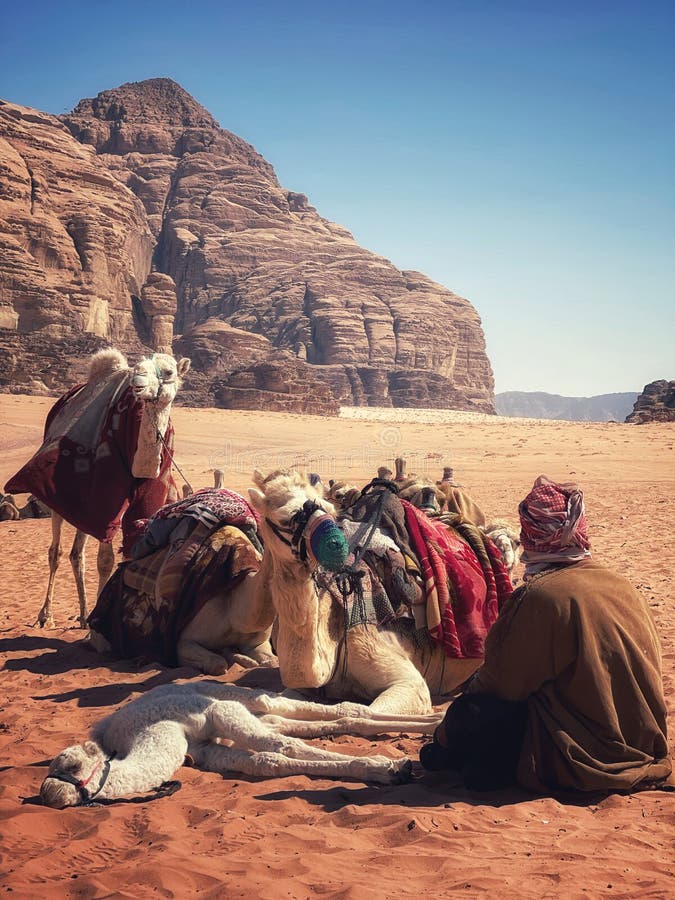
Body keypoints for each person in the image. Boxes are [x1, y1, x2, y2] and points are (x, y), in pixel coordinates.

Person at [420, 475, 673, 794]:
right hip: (644, 747)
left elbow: (500, 686)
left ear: (530, 536)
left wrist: (444, 738)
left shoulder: (539, 597)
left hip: (584, 761)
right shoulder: (623, 587)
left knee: (469, 712)